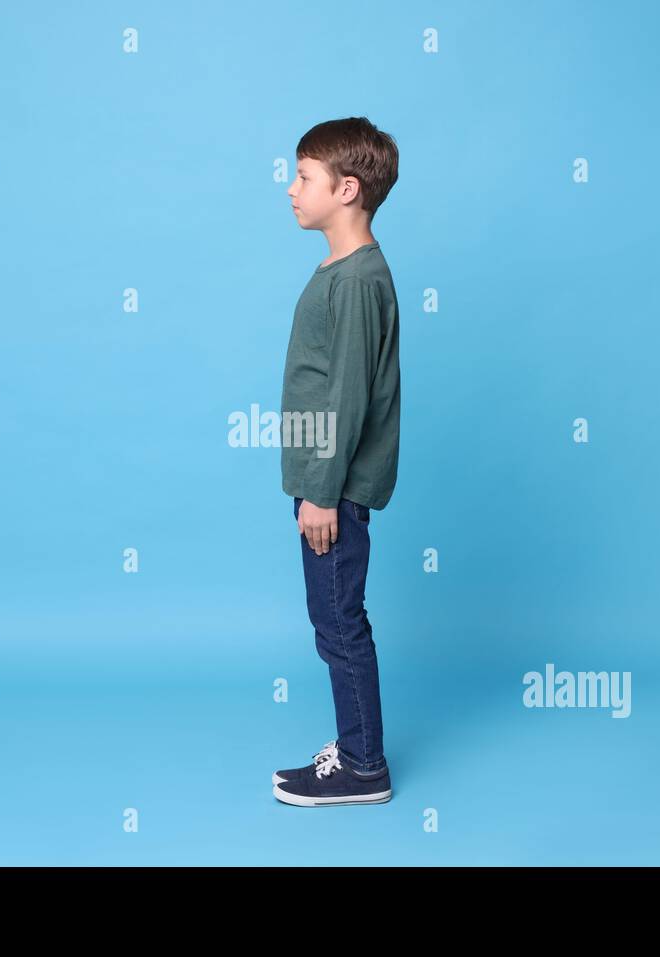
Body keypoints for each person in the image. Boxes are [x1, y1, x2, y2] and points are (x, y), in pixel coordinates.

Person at [272, 117, 401, 807]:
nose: (291, 190)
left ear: (346, 189)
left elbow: (348, 397)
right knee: (334, 618)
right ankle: (358, 749)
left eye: (303, 177)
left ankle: (362, 766)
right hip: (323, 485)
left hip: (334, 492)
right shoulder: (343, 271)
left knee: (338, 623)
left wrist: (321, 494)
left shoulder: (354, 281)